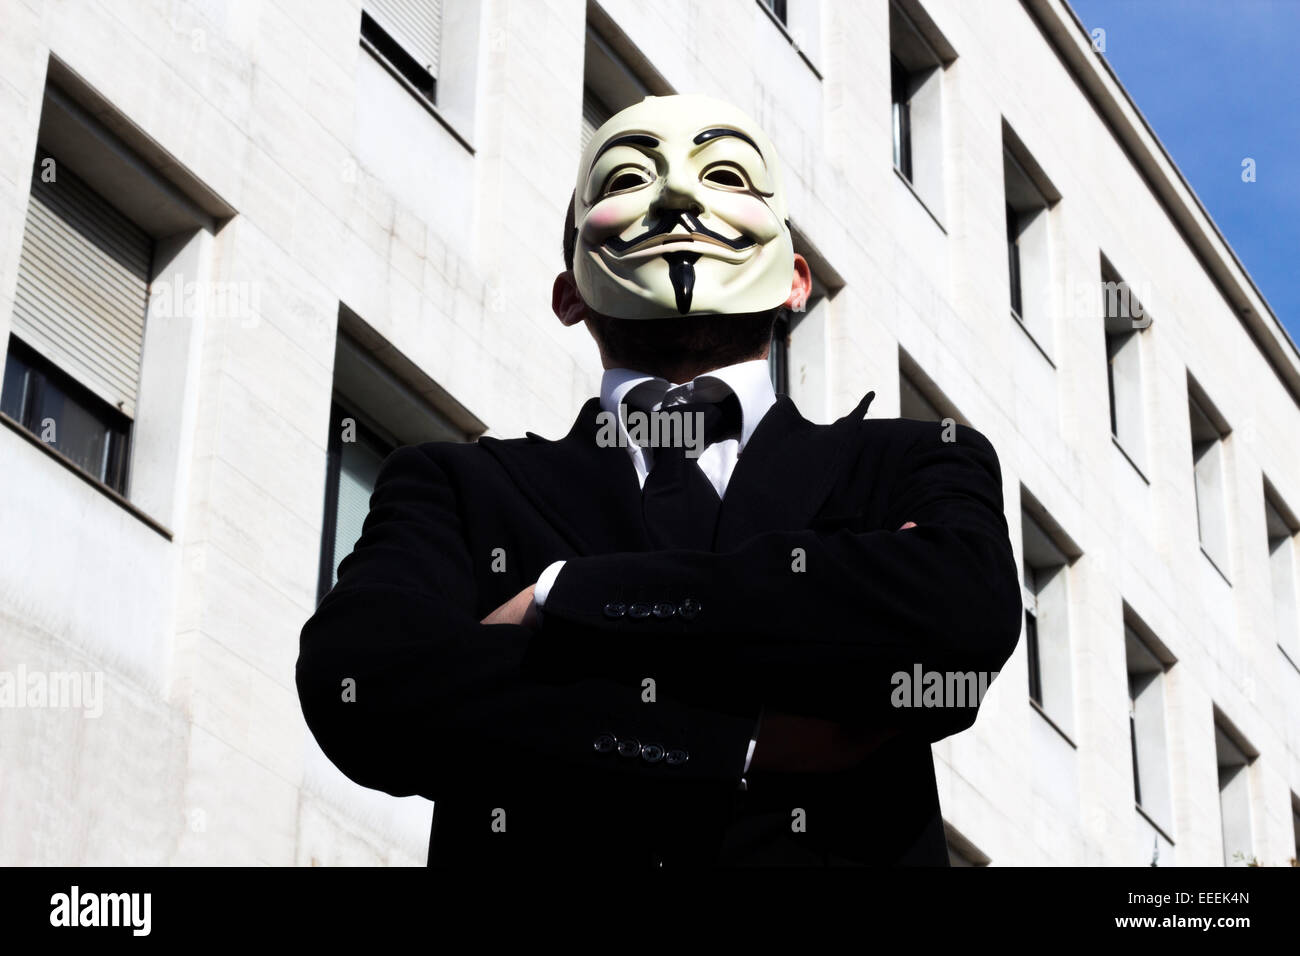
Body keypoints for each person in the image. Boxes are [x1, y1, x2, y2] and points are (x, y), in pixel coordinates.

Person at [296, 93, 1022, 866]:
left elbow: (959, 622)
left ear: (796, 281)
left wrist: (562, 599)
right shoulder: (457, 486)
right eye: (627, 180)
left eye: (726, 177)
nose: (677, 197)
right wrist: (740, 738)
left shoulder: (911, 461)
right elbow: (362, 682)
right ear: (568, 294)